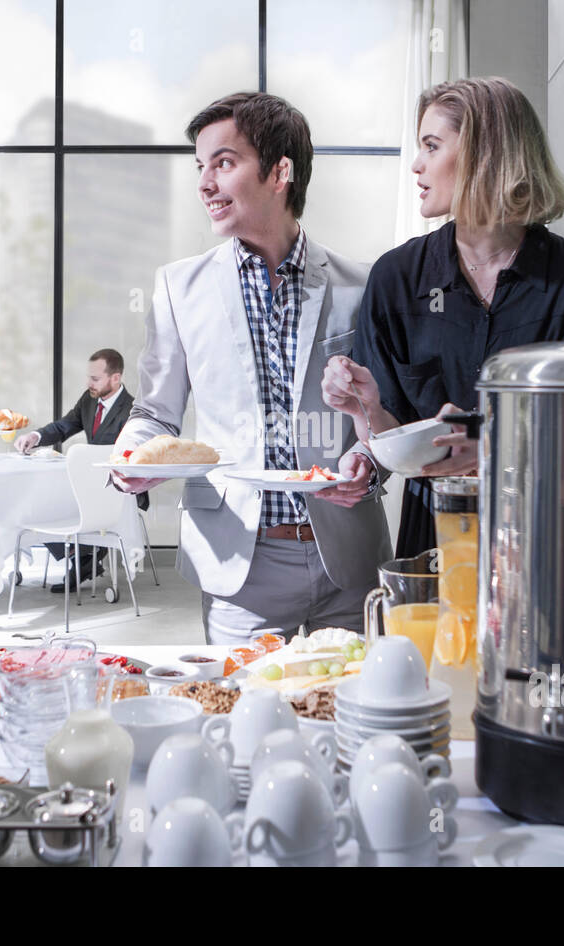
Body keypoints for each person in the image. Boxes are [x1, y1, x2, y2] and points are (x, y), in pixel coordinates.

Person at [112, 92, 392, 645]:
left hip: (349, 557)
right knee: (242, 720)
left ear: (280, 171)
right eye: (201, 167)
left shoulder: (362, 285)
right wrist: (132, 452)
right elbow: (155, 412)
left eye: (224, 162)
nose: (205, 183)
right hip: (239, 562)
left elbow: (380, 414)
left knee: (352, 717)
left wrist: (366, 462)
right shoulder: (178, 287)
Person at [322, 76, 564, 557]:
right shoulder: (395, 278)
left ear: (484, 154)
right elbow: (394, 441)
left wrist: (496, 452)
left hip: (548, 543)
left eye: (431, 147)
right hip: (432, 544)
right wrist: (366, 407)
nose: (416, 165)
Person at [14, 348, 145, 591]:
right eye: (88, 377)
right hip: (88, 483)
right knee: (43, 501)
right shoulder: (89, 399)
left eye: (95, 379)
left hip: (119, 487)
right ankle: (82, 556)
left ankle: (83, 557)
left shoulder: (133, 409)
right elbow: (66, 425)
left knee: (65, 500)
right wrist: (36, 435)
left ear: (116, 378)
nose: (89, 383)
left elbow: (132, 455)